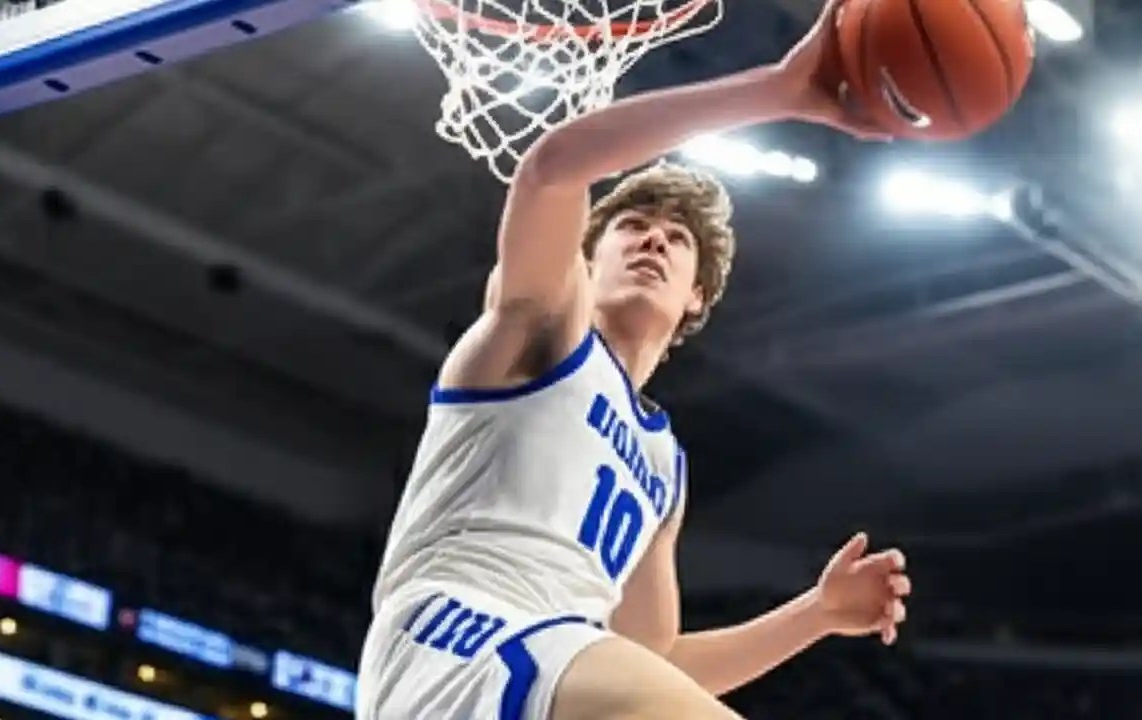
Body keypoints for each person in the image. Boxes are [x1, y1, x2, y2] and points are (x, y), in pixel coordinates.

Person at [355, 0, 910, 717]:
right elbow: (551, 171)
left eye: (676, 241)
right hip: (458, 635)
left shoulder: (662, 465)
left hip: (546, 669)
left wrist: (815, 614)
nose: (653, 241)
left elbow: (655, 661)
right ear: (584, 258)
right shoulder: (543, 329)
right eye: (631, 227)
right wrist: (779, 88)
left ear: (695, 298)